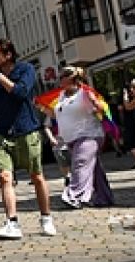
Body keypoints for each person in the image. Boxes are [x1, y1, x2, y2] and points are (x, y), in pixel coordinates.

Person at [0, 40, 55, 239]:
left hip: (26, 129)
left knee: (36, 176)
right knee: (5, 177)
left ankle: (46, 217)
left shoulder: (26, 69)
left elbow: (21, 92)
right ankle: (12, 222)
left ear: (8, 55)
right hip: (1, 133)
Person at [45, 67, 115, 209]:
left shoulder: (85, 92)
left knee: (80, 163)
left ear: (71, 79)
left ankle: (74, 196)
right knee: (94, 168)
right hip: (71, 138)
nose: (59, 80)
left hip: (89, 134)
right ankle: (104, 197)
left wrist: (96, 104)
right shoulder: (61, 96)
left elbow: (101, 109)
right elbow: (56, 114)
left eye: (62, 77)